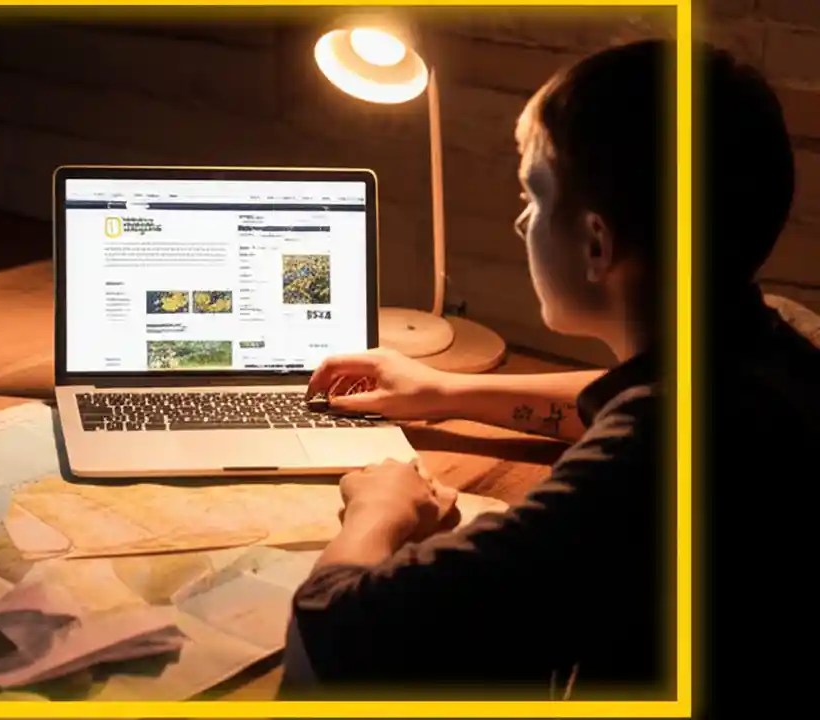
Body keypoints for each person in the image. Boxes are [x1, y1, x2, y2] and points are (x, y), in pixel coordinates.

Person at [281, 37, 820, 712]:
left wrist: (378, 510)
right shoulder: (774, 344)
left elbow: (329, 642)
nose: (521, 221)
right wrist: (445, 391)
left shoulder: (651, 466)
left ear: (596, 243)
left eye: (534, 195)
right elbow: (626, 400)